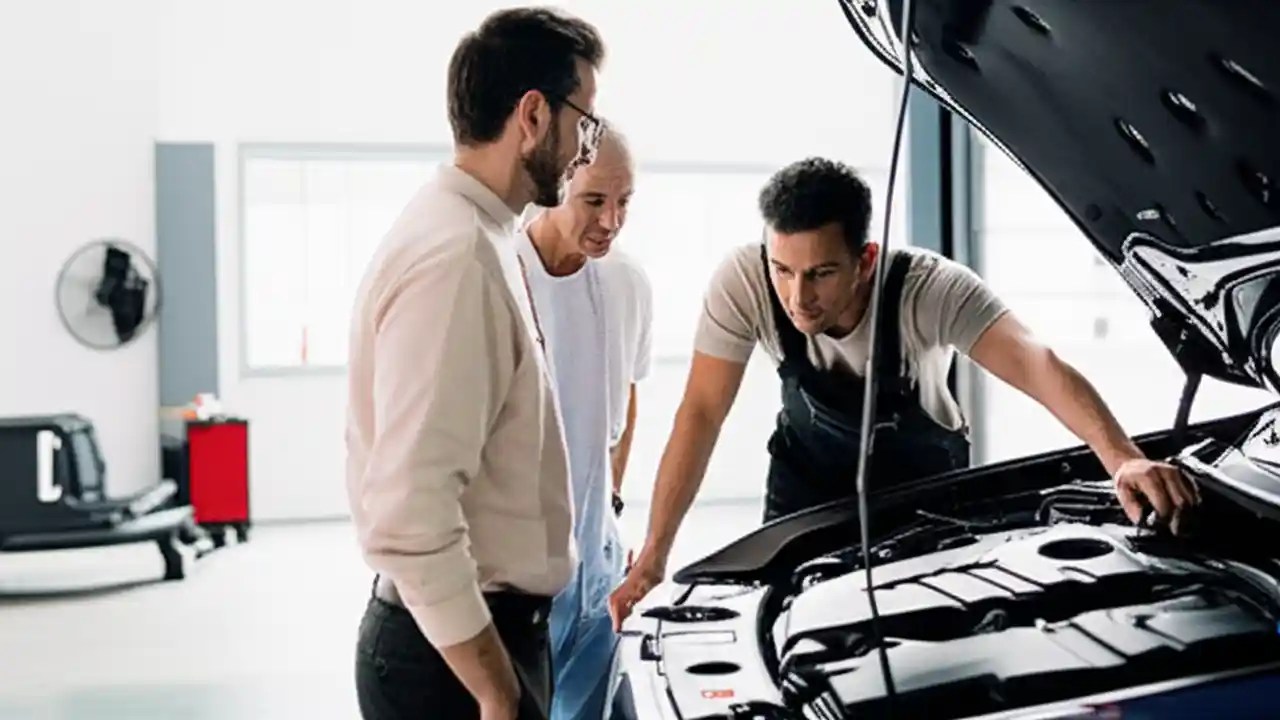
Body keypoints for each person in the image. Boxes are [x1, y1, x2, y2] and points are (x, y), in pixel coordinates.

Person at [608, 156, 1202, 629]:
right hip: (805, 489)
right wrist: (658, 550)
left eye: (821, 273)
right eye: (783, 270)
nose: (797, 297)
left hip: (922, 494)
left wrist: (1122, 459)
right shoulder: (743, 281)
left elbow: (1037, 363)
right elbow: (702, 412)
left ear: (865, 259)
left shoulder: (929, 289)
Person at [344, 8, 605, 720]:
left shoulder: (479, 235)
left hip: (475, 640)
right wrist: (495, 690)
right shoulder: (458, 259)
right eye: (587, 120)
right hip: (455, 665)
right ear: (532, 115)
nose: (588, 147)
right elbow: (409, 512)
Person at [514, 124, 653, 720]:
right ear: (554, 186)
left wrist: (612, 504)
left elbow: (625, 396)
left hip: (596, 571)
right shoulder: (502, 274)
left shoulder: (626, 282)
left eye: (624, 201)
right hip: (517, 578)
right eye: (595, 200)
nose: (612, 220)